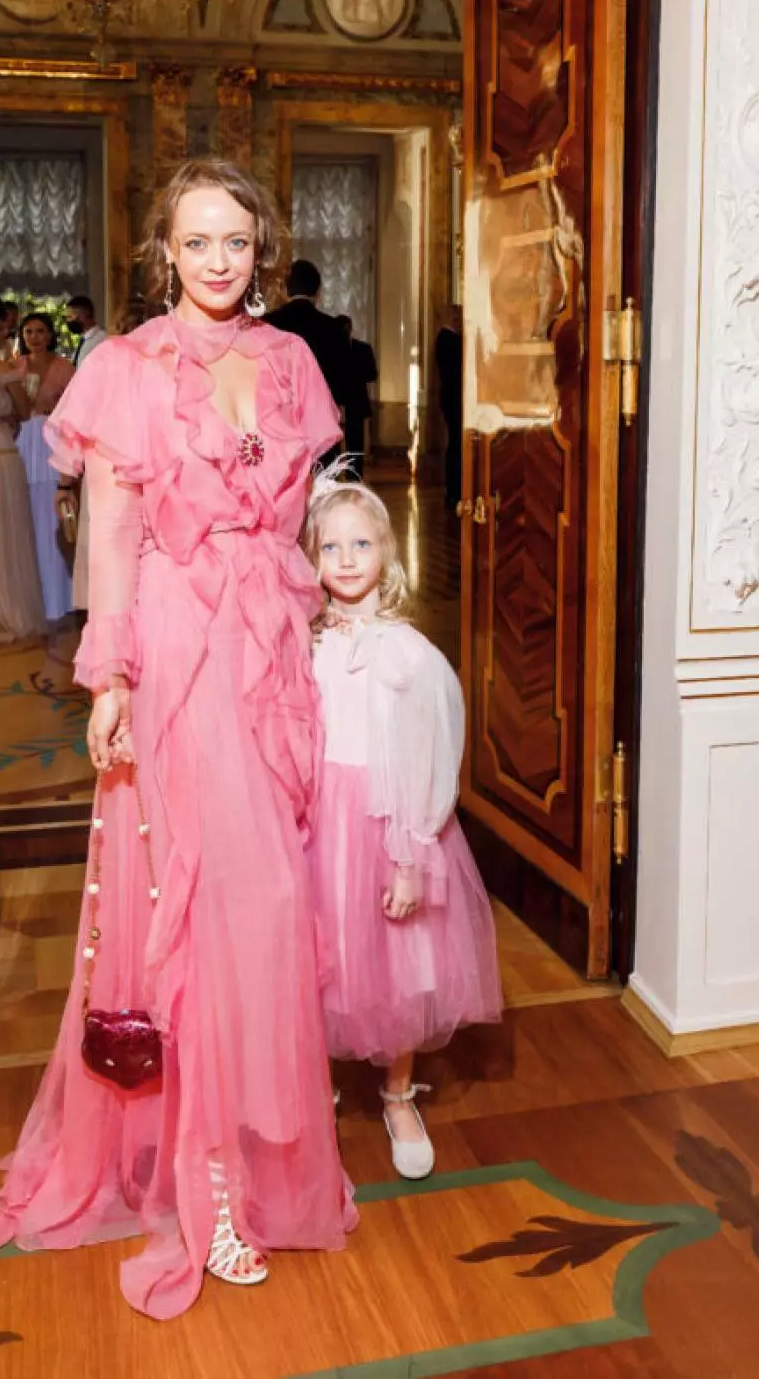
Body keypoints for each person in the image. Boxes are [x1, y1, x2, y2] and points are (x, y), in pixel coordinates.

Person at [0, 160, 356, 1317]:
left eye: (237, 240)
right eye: (198, 242)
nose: (220, 261)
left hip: (270, 647)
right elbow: (117, 537)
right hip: (179, 651)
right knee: (205, 903)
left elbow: (294, 518)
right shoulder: (126, 367)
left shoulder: (289, 361)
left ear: (262, 247)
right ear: (162, 252)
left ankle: (261, 1149)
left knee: (273, 901)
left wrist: (328, 623)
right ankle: (209, 1184)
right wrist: (110, 675)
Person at [304, 473, 501, 1180]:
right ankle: (314, 1092)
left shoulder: (409, 654)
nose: (348, 558)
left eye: (362, 543)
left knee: (397, 962)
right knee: (322, 957)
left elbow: (430, 752)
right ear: (311, 556)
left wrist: (412, 850)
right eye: (332, 546)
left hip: (389, 827)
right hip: (319, 826)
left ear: (387, 552)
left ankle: (396, 1094)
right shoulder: (304, 646)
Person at [0, 297, 47, 645]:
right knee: (8, 533)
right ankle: (12, 610)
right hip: (1, 453)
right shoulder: (3, 370)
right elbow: (24, 410)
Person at [14, 312, 76, 622]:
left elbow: (77, 407)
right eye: (28, 332)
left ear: (50, 334)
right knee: (27, 514)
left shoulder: (64, 367)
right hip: (25, 439)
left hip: (52, 440)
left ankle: (60, 597)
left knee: (52, 517)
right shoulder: (15, 365)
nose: (34, 337)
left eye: (40, 331)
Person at [267, 259, 348, 429]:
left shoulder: (267, 324)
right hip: (320, 419)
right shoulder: (335, 328)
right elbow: (341, 378)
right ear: (318, 292)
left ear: (285, 290)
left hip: (278, 419)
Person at [335, 314, 377, 478]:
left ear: (351, 329)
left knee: (356, 443)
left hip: (356, 403)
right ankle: (335, 474)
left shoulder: (363, 348)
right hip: (335, 402)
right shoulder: (330, 350)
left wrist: (354, 373)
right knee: (332, 443)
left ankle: (355, 475)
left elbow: (372, 374)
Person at [434, 306, 464, 510]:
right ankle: (455, 490)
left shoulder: (445, 338)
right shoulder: (450, 339)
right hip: (455, 399)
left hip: (451, 398)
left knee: (455, 444)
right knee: (456, 446)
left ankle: (454, 490)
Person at [67, 294, 107, 368]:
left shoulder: (102, 339)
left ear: (83, 315)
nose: (68, 321)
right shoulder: (83, 341)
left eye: (70, 316)